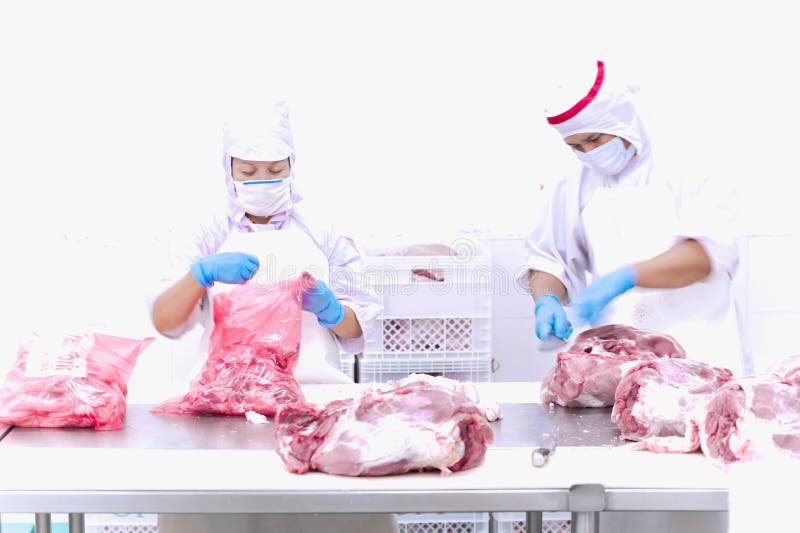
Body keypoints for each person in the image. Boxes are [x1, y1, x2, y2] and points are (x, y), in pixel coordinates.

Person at [148, 99, 398, 533]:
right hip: (226, 401)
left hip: (316, 399)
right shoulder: (206, 230)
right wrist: (199, 275)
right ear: (228, 170)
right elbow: (166, 320)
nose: (262, 181)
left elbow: (360, 324)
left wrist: (332, 310)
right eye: (248, 172)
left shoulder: (320, 227)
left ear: (291, 164)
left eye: (273, 169)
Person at [522, 60, 739, 532]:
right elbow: (547, 259)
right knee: (622, 503)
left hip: (702, 363)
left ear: (622, 122)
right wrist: (547, 298)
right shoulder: (572, 180)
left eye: (595, 140)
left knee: (695, 504)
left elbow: (705, 256)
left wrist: (623, 276)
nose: (587, 153)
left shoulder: (689, 165)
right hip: (616, 373)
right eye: (575, 146)